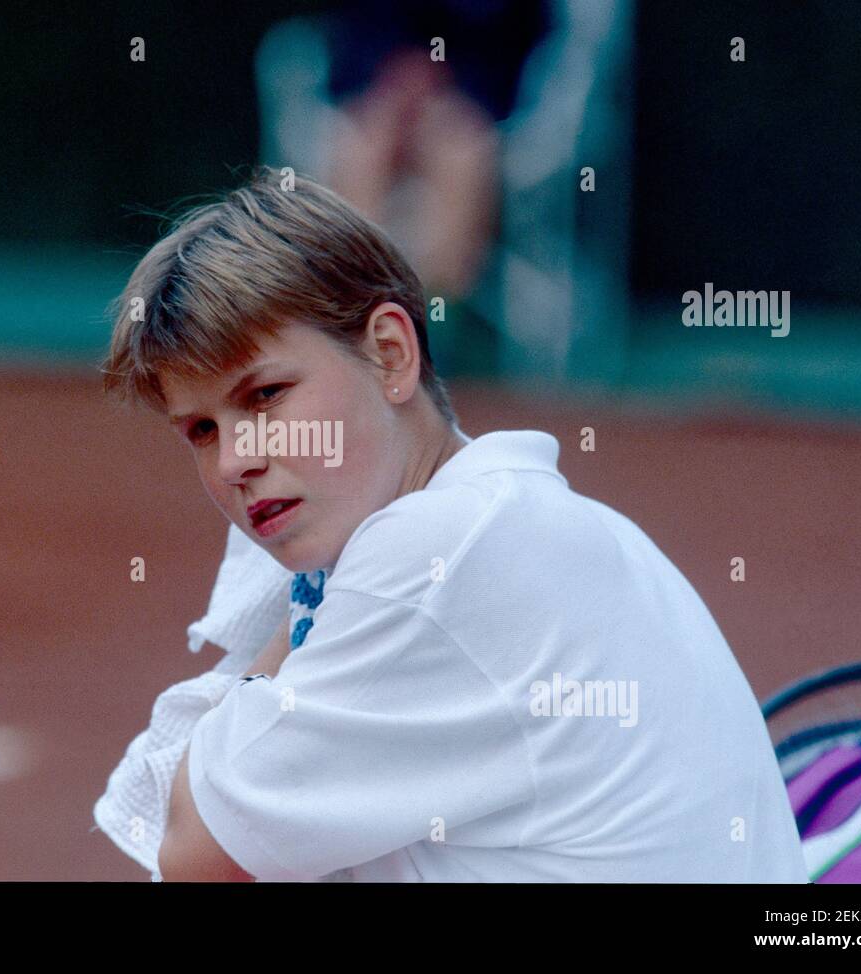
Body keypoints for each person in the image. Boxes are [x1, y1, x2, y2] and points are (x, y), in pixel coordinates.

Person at [98, 165, 809, 883]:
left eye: (267, 395)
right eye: (201, 430)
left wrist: (296, 618)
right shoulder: (521, 518)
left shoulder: (434, 557)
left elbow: (196, 855)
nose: (233, 463)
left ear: (390, 353)